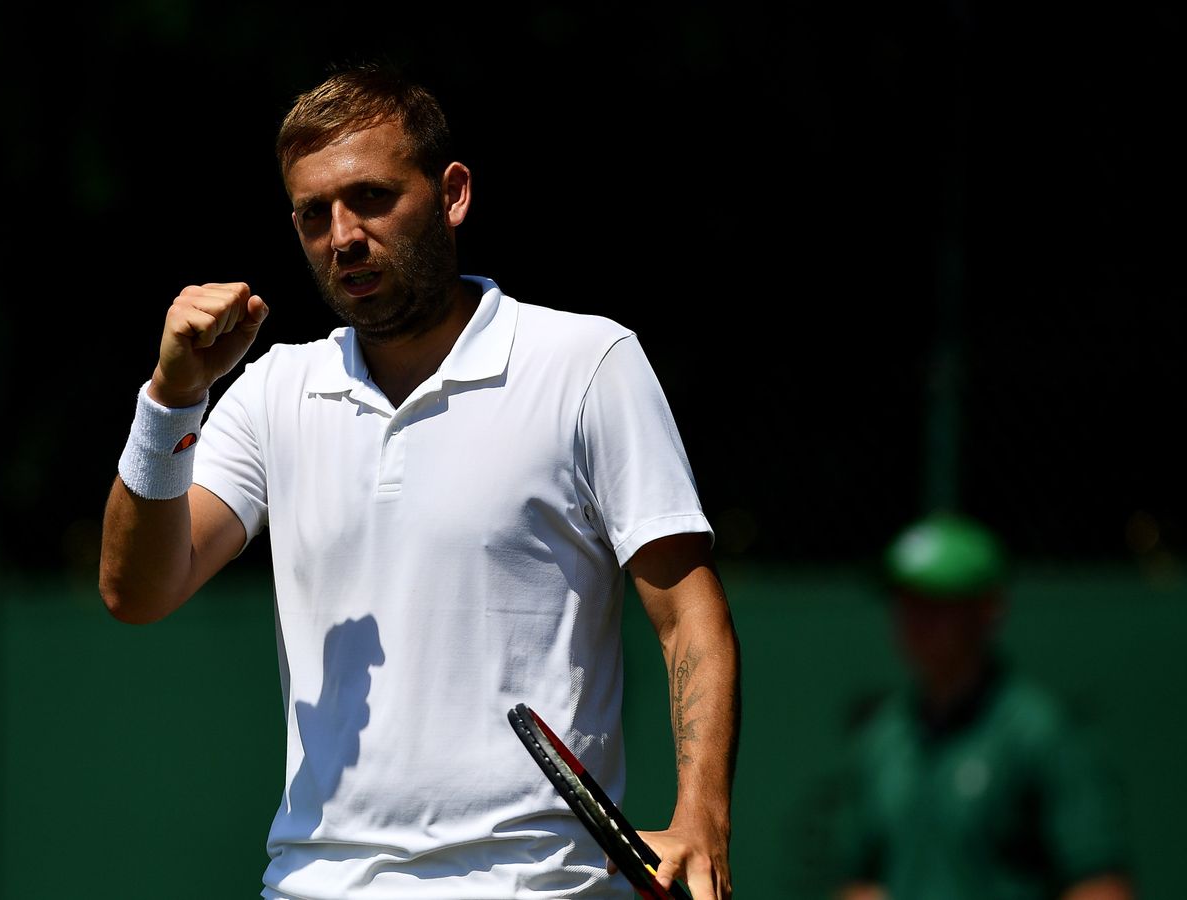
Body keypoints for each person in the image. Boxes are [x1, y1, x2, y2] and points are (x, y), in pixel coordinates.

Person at [99, 61, 740, 900]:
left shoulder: (588, 363)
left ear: (453, 193)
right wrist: (171, 399)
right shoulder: (271, 391)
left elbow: (689, 613)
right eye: (312, 213)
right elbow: (137, 590)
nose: (342, 235)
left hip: (539, 886)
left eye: (370, 197)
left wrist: (701, 819)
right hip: (312, 883)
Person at [829, 511, 1134, 900]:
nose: (914, 618)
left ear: (988, 608)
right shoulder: (882, 737)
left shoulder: (1044, 732)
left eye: (935, 601)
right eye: (905, 600)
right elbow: (862, 880)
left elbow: (1099, 884)